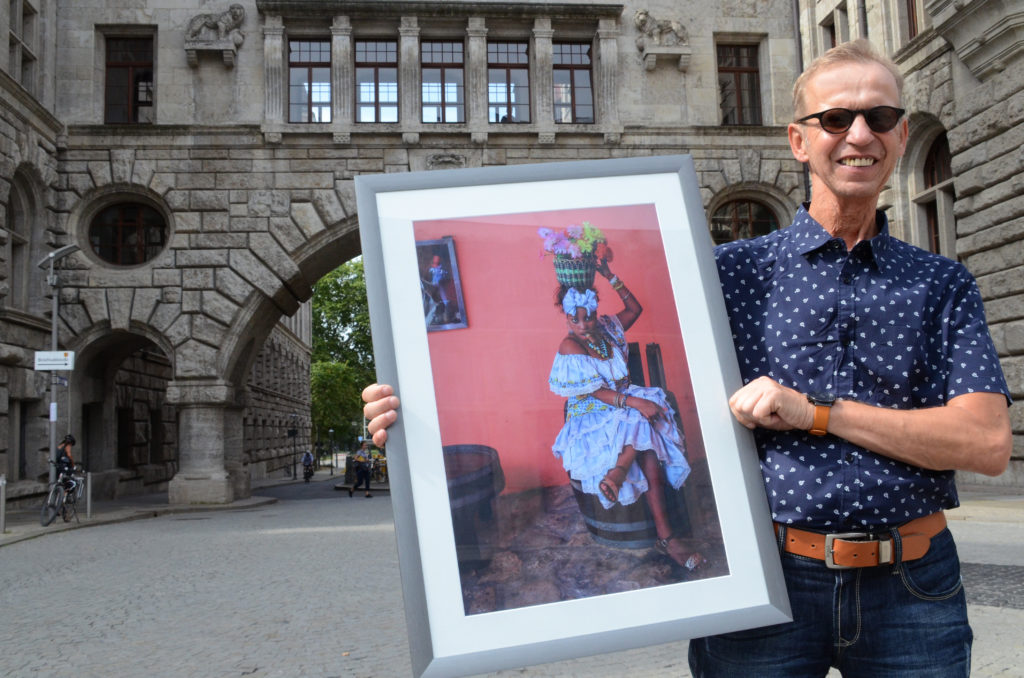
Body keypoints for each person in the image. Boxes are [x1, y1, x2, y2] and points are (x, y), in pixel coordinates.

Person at [362, 39, 1012, 677]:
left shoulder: (941, 282)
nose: (860, 135)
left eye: (882, 118)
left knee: (649, 414)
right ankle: (656, 517)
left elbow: (984, 443)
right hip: (766, 589)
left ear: (902, 136)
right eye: (836, 118)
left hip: (913, 586)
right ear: (799, 141)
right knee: (650, 417)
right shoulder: (732, 274)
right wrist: (409, 417)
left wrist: (815, 412)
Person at [548, 259, 702, 570]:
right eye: (575, 319)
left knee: (644, 435)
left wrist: (610, 275)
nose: (584, 324)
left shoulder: (607, 327)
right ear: (566, 317)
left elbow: (635, 310)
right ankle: (665, 535)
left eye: (588, 317)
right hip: (592, 412)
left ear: (594, 312)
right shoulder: (569, 346)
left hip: (622, 403)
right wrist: (635, 403)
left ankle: (620, 475)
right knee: (638, 416)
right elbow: (593, 392)